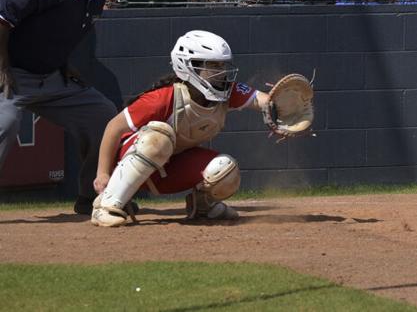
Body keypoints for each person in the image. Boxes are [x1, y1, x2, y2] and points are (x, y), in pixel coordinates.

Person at [84, 30, 293, 226]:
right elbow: (114, 127)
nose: (221, 73)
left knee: (225, 167)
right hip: (130, 161)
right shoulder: (163, 97)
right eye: (213, 66)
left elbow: (264, 101)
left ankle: (203, 206)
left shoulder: (227, 91)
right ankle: (107, 204)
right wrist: (103, 173)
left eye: (222, 66)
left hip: (167, 170)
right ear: (188, 66)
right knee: (159, 137)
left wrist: (289, 112)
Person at [0, 0, 126, 215]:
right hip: (11, 75)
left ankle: (93, 195)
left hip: (53, 78)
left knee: (104, 116)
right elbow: (2, 15)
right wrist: (2, 65)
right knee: (4, 124)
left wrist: (62, 62)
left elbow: (63, 30)